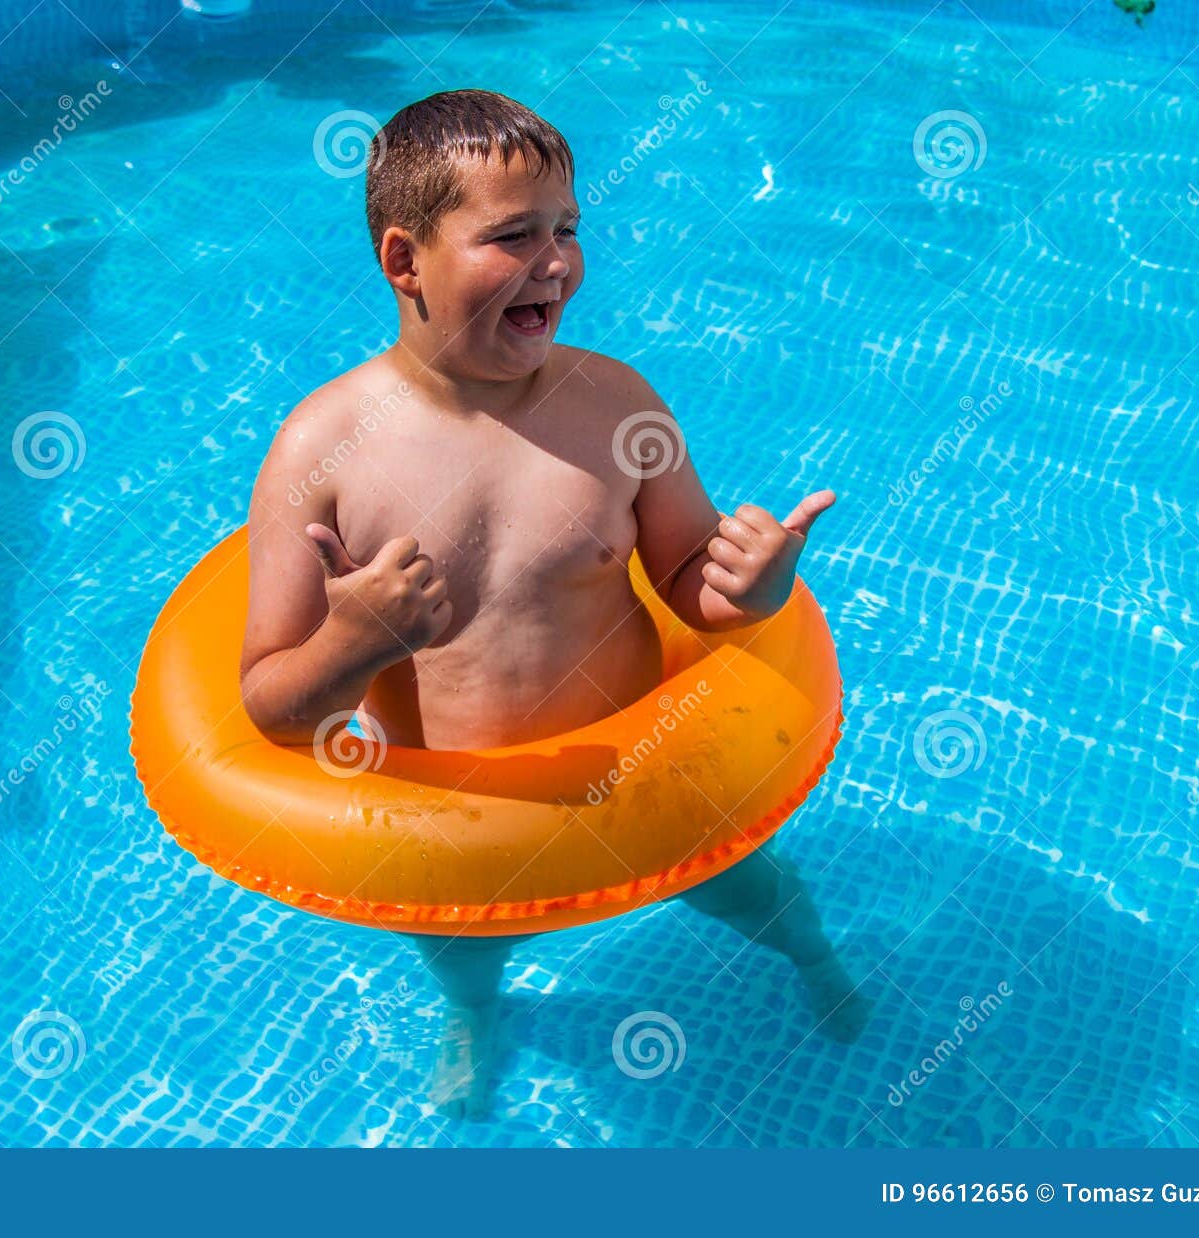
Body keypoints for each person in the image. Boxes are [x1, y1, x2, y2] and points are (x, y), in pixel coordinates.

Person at [239, 89, 868, 1118]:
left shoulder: (617, 405)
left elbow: (685, 583)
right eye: (512, 235)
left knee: (760, 891)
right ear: (404, 260)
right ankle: (480, 1016)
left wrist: (750, 585)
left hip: (641, 774)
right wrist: (355, 643)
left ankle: (815, 960)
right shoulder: (322, 453)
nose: (558, 262)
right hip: (459, 819)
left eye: (568, 227)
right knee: (459, 950)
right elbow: (272, 707)